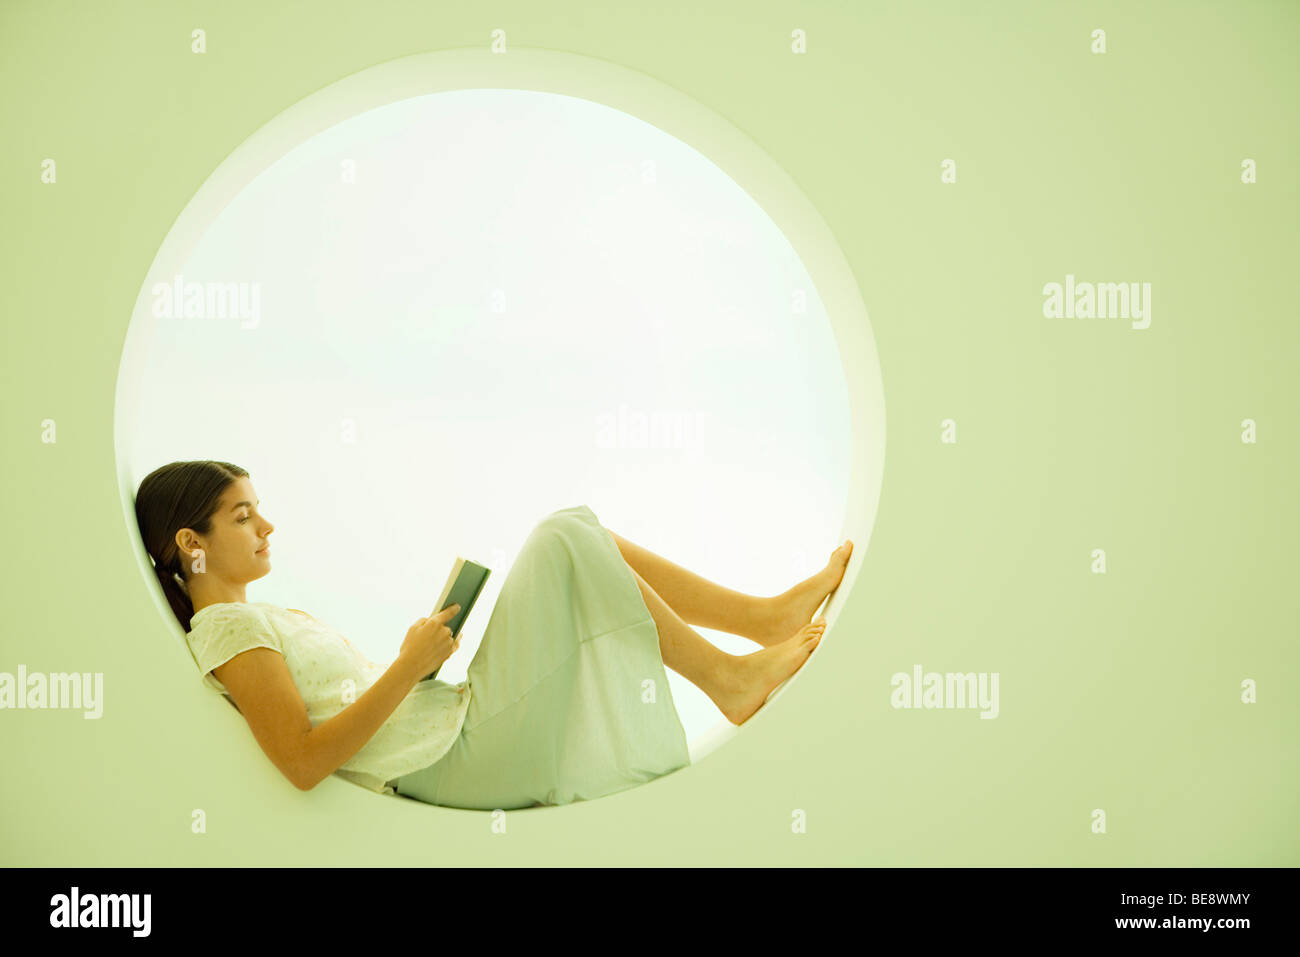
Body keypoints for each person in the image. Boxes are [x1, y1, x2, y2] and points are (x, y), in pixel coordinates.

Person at [134, 460, 852, 810]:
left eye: (259, 509)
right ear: (190, 544)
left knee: (579, 532)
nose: (266, 526)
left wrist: (418, 662)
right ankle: (732, 670)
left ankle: (760, 623)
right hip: (456, 761)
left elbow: (359, 719)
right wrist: (408, 664)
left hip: (457, 726)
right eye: (242, 516)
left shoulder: (268, 618)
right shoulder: (225, 626)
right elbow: (300, 758)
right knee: (567, 531)